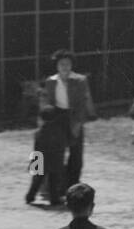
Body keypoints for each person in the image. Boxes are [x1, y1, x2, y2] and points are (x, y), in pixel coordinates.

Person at [39, 49, 96, 190]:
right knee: (50, 152)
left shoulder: (80, 80)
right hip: (56, 116)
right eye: (61, 64)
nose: (65, 67)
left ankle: (73, 186)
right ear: (57, 66)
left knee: (76, 153)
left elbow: (82, 104)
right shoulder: (50, 81)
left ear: (71, 65)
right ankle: (42, 184)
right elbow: (48, 102)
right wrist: (45, 120)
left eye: (67, 64)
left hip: (74, 116)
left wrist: (78, 123)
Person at [25, 104, 69, 207]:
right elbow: (63, 144)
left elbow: (36, 147)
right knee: (54, 180)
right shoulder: (59, 131)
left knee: (37, 180)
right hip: (55, 158)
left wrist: (33, 162)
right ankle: (54, 198)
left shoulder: (39, 132)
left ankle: (30, 196)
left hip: (40, 158)